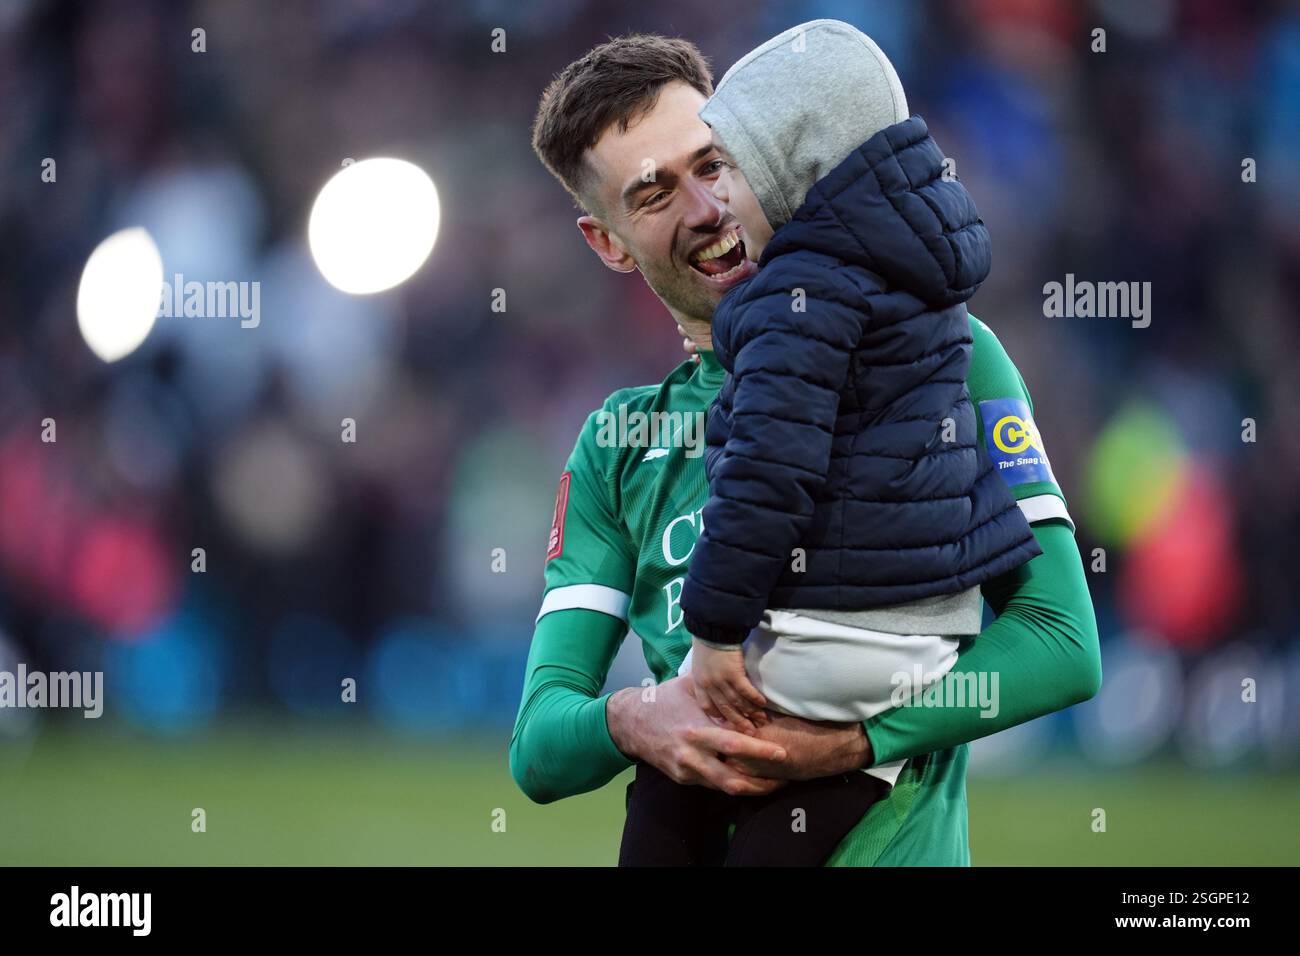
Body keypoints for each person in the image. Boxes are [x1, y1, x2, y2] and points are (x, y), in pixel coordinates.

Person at [511, 31, 1101, 867]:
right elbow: (538, 746)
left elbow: (1060, 642)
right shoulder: (621, 442)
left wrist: (860, 742)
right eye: (653, 194)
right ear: (606, 242)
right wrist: (639, 718)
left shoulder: (947, 357)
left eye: (713, 164)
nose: (707, 209)